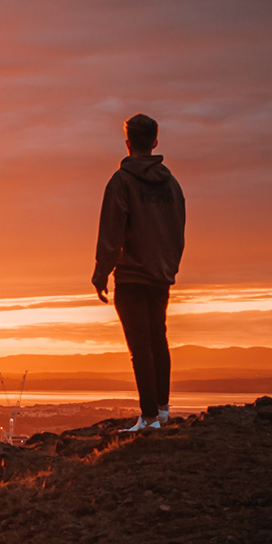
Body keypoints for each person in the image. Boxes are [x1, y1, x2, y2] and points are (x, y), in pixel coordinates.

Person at [92, 113, 186, 432]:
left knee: (140, 346)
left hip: (132, 275)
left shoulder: (121, 181)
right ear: (155, 142)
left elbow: (111, 231)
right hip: (161, 275)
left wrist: (101, 273)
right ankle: (161, 410)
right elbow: (178, 229)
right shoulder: (171, 185)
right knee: (158, 338)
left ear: (128, 142)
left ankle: (148, 418)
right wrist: (169, 266)